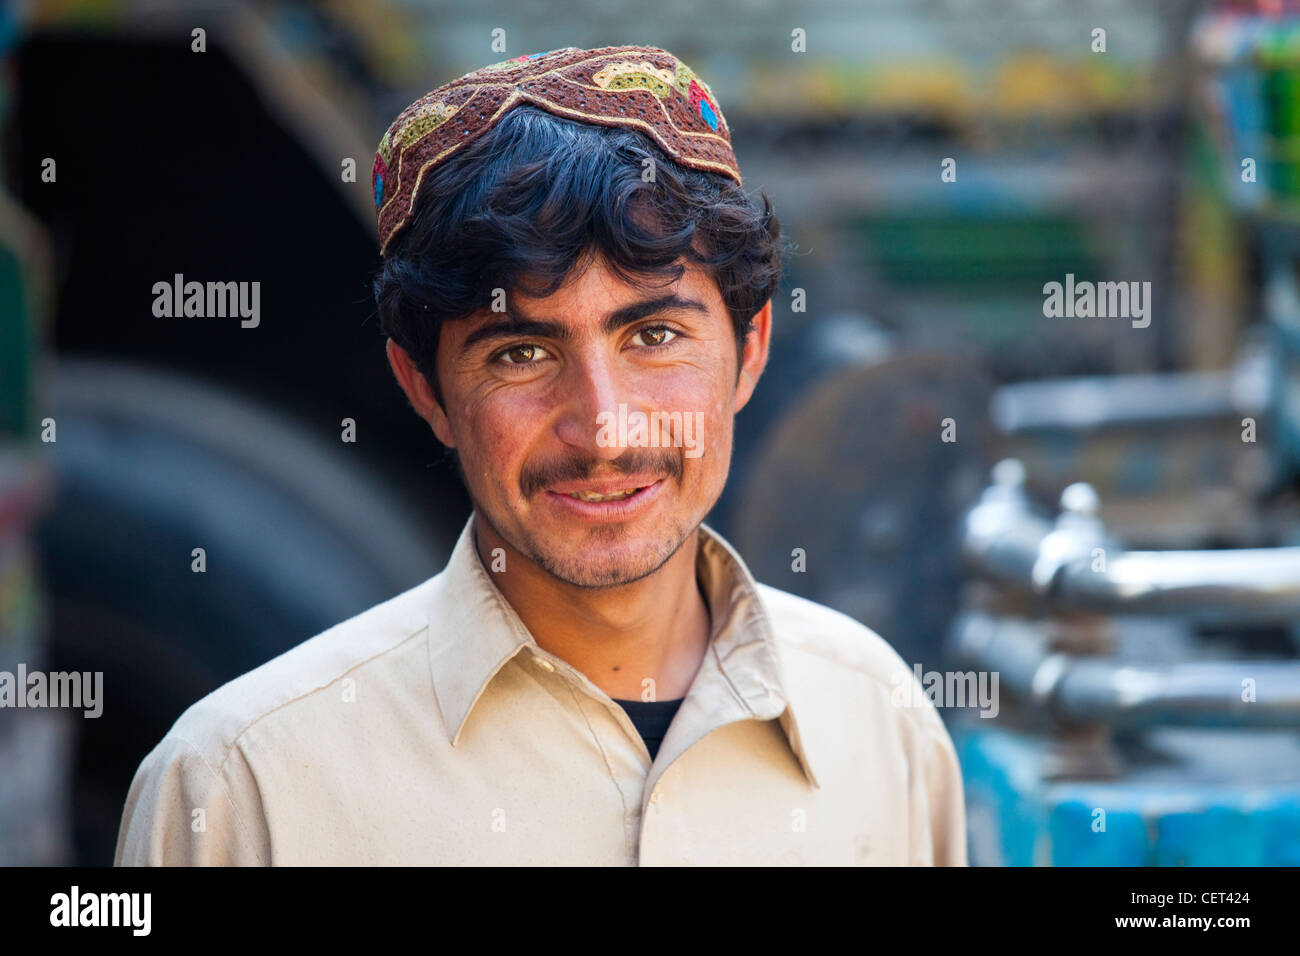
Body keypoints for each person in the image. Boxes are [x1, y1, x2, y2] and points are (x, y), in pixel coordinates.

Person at [115, 44, 967, 866]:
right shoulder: (241, 787)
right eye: (520, 352)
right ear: (425, 389)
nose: (604, 429)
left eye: (655, 335)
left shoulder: (877, 719)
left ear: (750, 351)